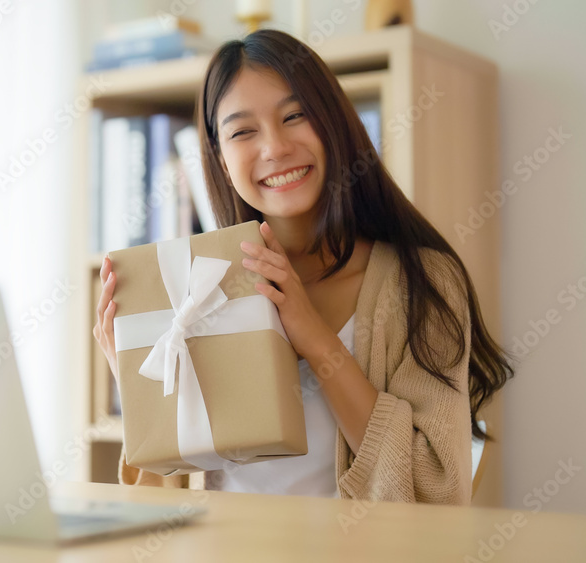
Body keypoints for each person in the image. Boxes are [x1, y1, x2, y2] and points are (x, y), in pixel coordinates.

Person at [92, 29, 514, 504]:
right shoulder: (195, 292)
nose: (274, 147)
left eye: (295, 116)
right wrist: (138, 377)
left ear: (334, 124)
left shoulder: (421, 282)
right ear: (220, 159)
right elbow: (157, 505)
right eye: (243, 131)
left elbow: (434, 492)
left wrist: (313, 337)